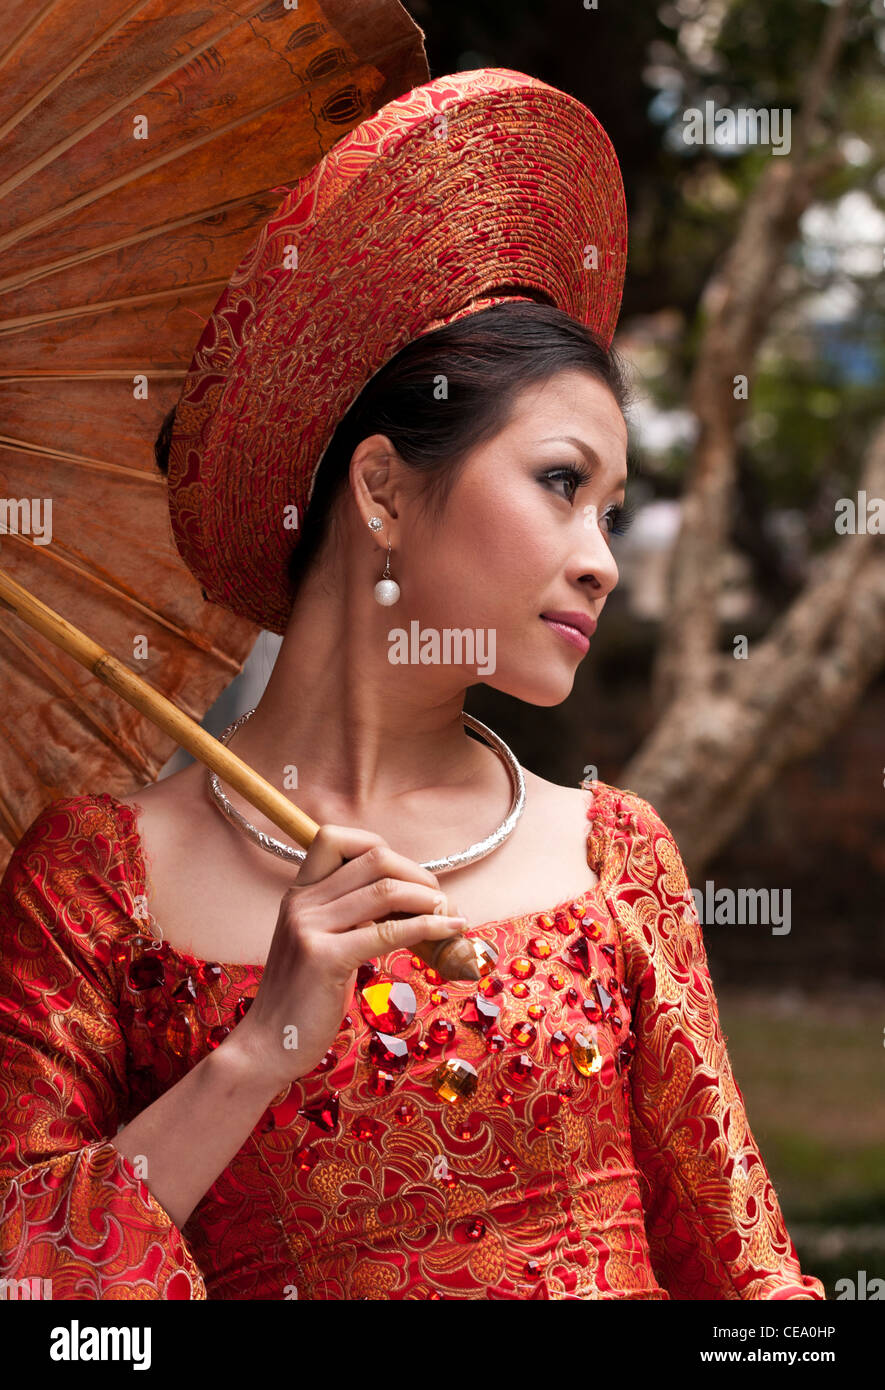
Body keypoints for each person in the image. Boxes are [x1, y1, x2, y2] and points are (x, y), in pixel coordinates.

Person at [0, 69, 825, 1300]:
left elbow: (756, 1295)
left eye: (613, 511)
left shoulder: (615, 858)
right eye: (561, 483)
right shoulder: (98, 891)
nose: (601, 562)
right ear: (382, 490)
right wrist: (263, 1049)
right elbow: (36, 1293)